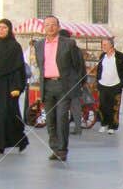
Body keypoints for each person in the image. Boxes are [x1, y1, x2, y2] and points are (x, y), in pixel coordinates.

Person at [33, 16, 85, 162]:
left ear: (58, 27)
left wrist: (76, 82)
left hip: (63, 85)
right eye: (47, 25)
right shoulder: (39, 45)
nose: (50, 27)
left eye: (53, 25)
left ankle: (62, 149)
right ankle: (54, 148)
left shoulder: (68, 43)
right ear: (44, 27)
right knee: (50, 118)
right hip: (47, 85)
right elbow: (40, 65)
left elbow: (77, 64)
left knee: (62, 117)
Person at [0, 19, 29, 154]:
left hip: (9, 86)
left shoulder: (14, 47)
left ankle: (20, 140)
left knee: (9, 114)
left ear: (9, 30)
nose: (1, 30)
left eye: (4, 27)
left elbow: (18, 67)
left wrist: (16, 87)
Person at [95, 36, 123, 131]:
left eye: (105, 44)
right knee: (102, 105)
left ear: (111, 45)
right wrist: (97, 80)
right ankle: (104, 123)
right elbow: (99, 69)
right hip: (103, 84)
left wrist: (121, 82)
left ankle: (113, 126)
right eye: (102, 44)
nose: (103, 46)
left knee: (114, 106)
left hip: (115, 85)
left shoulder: (120, 56)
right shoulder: (102, 56)